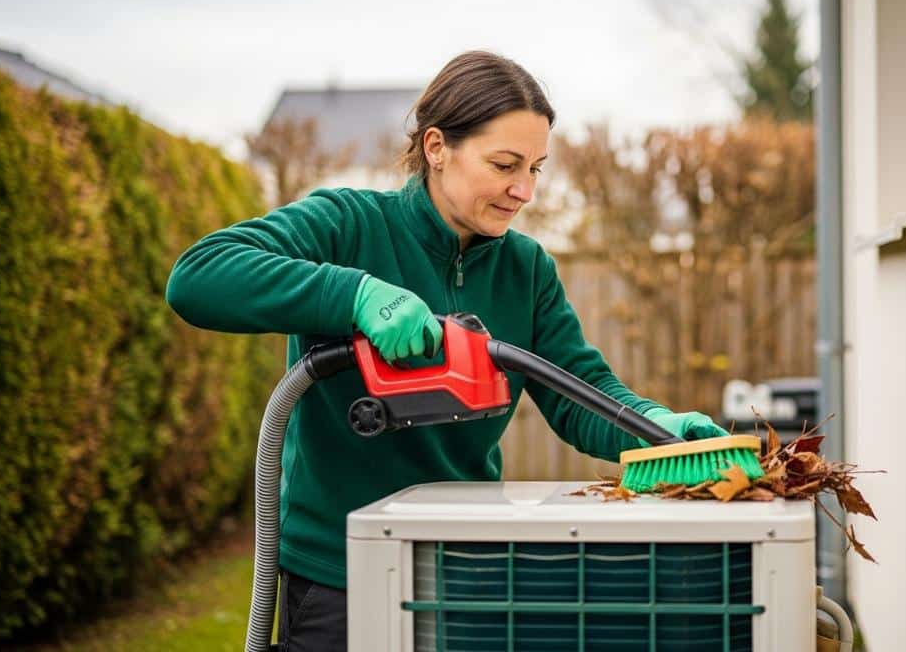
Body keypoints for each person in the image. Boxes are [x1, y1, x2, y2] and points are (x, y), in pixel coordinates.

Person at [165, 50, 730, 651]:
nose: (525, 190)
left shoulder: (525, 269)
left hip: (467, 562)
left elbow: (575, 391)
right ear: (437, 148)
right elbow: (198, 277)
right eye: (505, 164)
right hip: (340, 573)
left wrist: (654, 427)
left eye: (536, 168)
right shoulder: (349, 225)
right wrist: (355, 293)